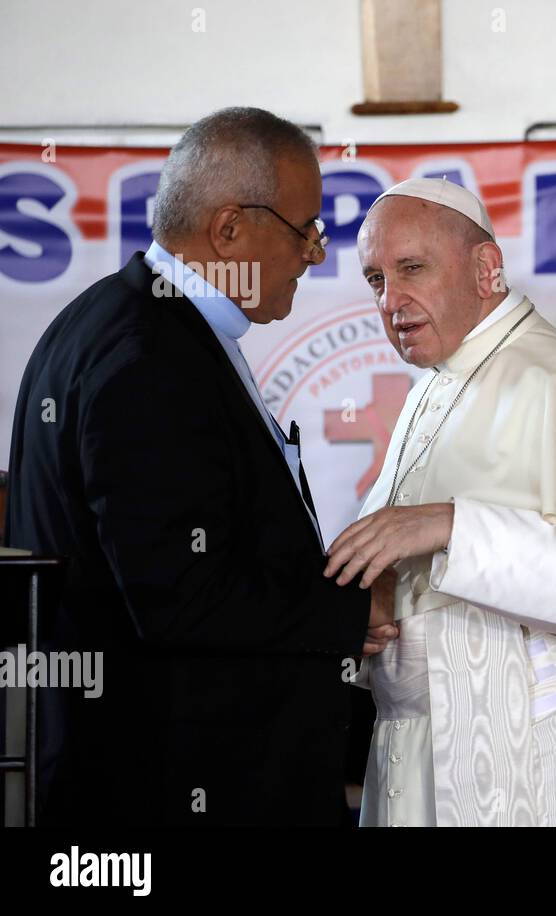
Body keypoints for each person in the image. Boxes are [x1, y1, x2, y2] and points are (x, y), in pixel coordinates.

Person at [4, 107, 395, 826]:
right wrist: (350, 609)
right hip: (168, 790)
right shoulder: (148, 357)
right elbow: (181, 595)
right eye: (304, 230)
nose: (315, 255)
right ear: (228, 230)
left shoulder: (128, 322)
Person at [324, 177, 556, 826]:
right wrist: (370, 610)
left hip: (549, 765)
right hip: (426, 752)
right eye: (375, 280)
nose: (391, 300)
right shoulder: (432, 389)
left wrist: (451, 525)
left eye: (412, 268)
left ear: (486, 270)